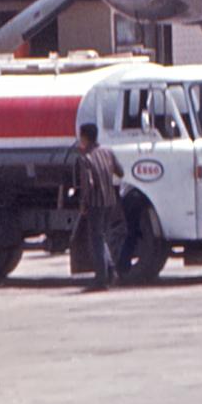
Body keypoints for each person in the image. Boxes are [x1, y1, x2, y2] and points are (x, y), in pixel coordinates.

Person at [71, 123, 125, 289]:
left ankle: (101, 278)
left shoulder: (86, 158)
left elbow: (88, 184)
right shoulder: (107, 152)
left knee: (96, 239)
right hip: (110, 201)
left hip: (95, 203)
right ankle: (111, 272)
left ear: (85, 138)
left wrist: (83, 204)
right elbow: (120, 172)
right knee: (102, 237)